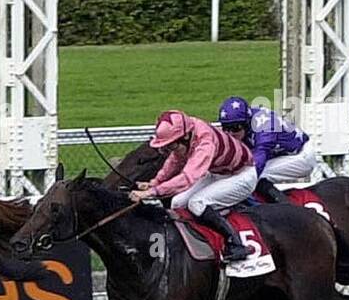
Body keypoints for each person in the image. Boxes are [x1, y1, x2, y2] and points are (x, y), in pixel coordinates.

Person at [129, 109, 256, 263]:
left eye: (171, 146)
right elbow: (174, 161)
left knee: (197, 203)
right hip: (218, 173)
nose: (170, 151)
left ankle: (236, 244)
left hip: (242, 176)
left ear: (186, 137)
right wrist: (154, 182)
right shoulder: (186, 133)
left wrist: (152, 192)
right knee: (177, 203)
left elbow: (187, 178)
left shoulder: (205, 143)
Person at [217, 96, 315, 204]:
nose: (230, 134)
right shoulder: (249, 121)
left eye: (235, 128)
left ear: (247, 124)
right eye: (225, 127)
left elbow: (258, 162)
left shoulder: (265, 127)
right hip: (283, 155)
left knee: (251, 173)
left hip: (302, 156)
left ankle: (285, 205)